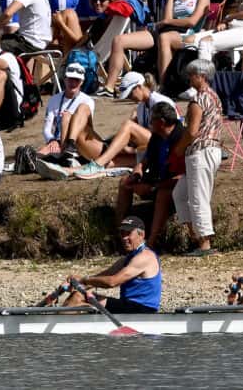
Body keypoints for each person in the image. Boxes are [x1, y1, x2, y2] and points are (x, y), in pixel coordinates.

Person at [98, 0, 207, 97]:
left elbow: (192, 21)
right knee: (119, 40)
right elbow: (167, 17)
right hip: (166, 30)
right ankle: (109, 87)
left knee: (164, 38)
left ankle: (163, 86)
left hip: (187, 34)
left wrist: (167, 22)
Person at [114, 102, 184, 247]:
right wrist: (137, 174)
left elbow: (182, 175)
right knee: (124, 183)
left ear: (161, 122)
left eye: (152, 120)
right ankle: (120, 233)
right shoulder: (157, 137)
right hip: (156, 180)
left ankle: (151, 241)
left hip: (174, 185)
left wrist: (154, 187)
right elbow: (143, 162)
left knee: (162, 194)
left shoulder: (181, 137)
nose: (150, 123)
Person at [62, 216, 161, 314]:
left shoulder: (145, 257)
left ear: (142, 235)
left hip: (142, 310)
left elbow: (112, 282)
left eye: (128, 233)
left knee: (79, 297)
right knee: (78, 295)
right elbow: (102, 277)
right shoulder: (127, 259)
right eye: (122, 233)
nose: (124, 238)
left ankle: (60, 324)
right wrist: (74, 283)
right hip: (128, 305)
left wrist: (84, 280)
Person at [175, 58, 222, 257]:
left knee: (198, 198)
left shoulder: (198, 100)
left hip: (200, 151)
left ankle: (205, 244)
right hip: (212, 150)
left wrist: (179, 148)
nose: (189, 77)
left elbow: (192, 131)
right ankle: (196, 236)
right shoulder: (214, 96)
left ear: (201, 76)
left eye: (192, 74)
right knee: (180, 194)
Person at [40, 63, 103, 163]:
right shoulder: (54, 99)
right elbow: (47, 129)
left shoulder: (88, 101)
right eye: (70, 79)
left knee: (67, 116)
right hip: (58, 140)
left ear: (82, 82)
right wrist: (52, 141)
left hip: (79, 141)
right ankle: (62, 154)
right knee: (38, 155)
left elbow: (86, 127)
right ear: (65, 79)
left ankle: (67, 150)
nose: (72, 83)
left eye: (76, 80)